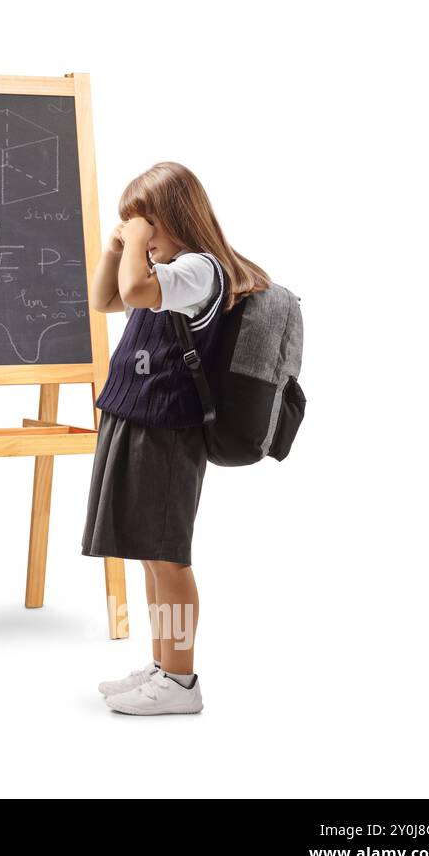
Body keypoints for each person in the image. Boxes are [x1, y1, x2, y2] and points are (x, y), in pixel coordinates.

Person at [82, 161, 269, 715]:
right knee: (149, 554)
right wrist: (120, 242)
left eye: (148, 225)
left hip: (168, 429)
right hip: (136, 418)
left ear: (174, 218)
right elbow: (106, 298)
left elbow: (135, 291)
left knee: (169, 558)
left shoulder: (198, 270)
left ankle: (181, 681)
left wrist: (135, 238)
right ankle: (165, 667)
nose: (141, 237)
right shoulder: (167, 268)